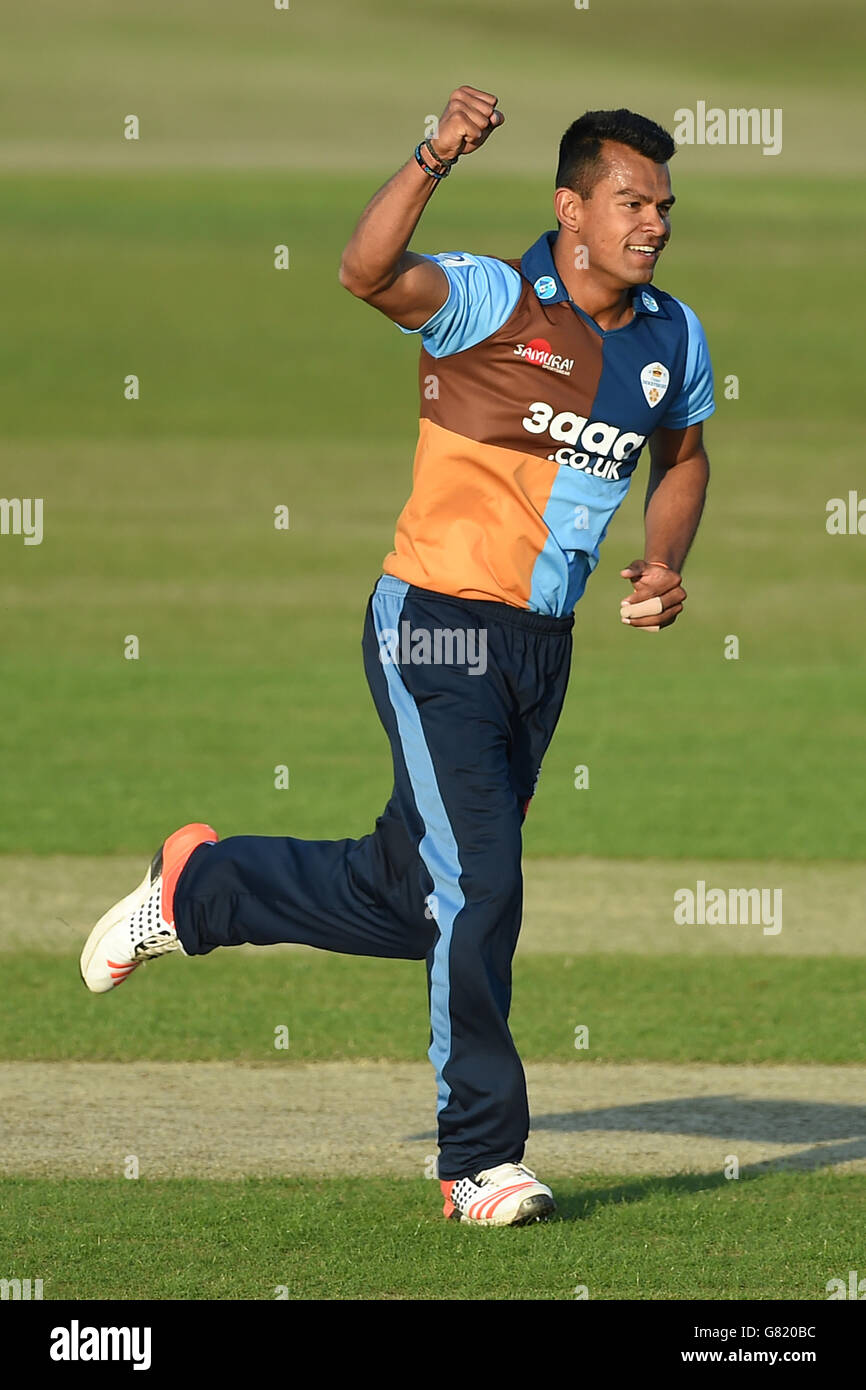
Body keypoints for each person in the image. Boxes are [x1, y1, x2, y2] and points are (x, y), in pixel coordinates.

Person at [80, 89, 713, 1227]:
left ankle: (199, 888)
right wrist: (432, 156)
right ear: (570, 209)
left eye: (662, 204)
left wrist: (663, 562)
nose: (653, 222)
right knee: (484, 883)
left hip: (540, 649)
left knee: (417, 893)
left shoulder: (674, 335)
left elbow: (681, 456)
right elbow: (364, 272)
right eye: (630, 201)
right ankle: (478, 1160)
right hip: (432, 624)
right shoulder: (486, 297)